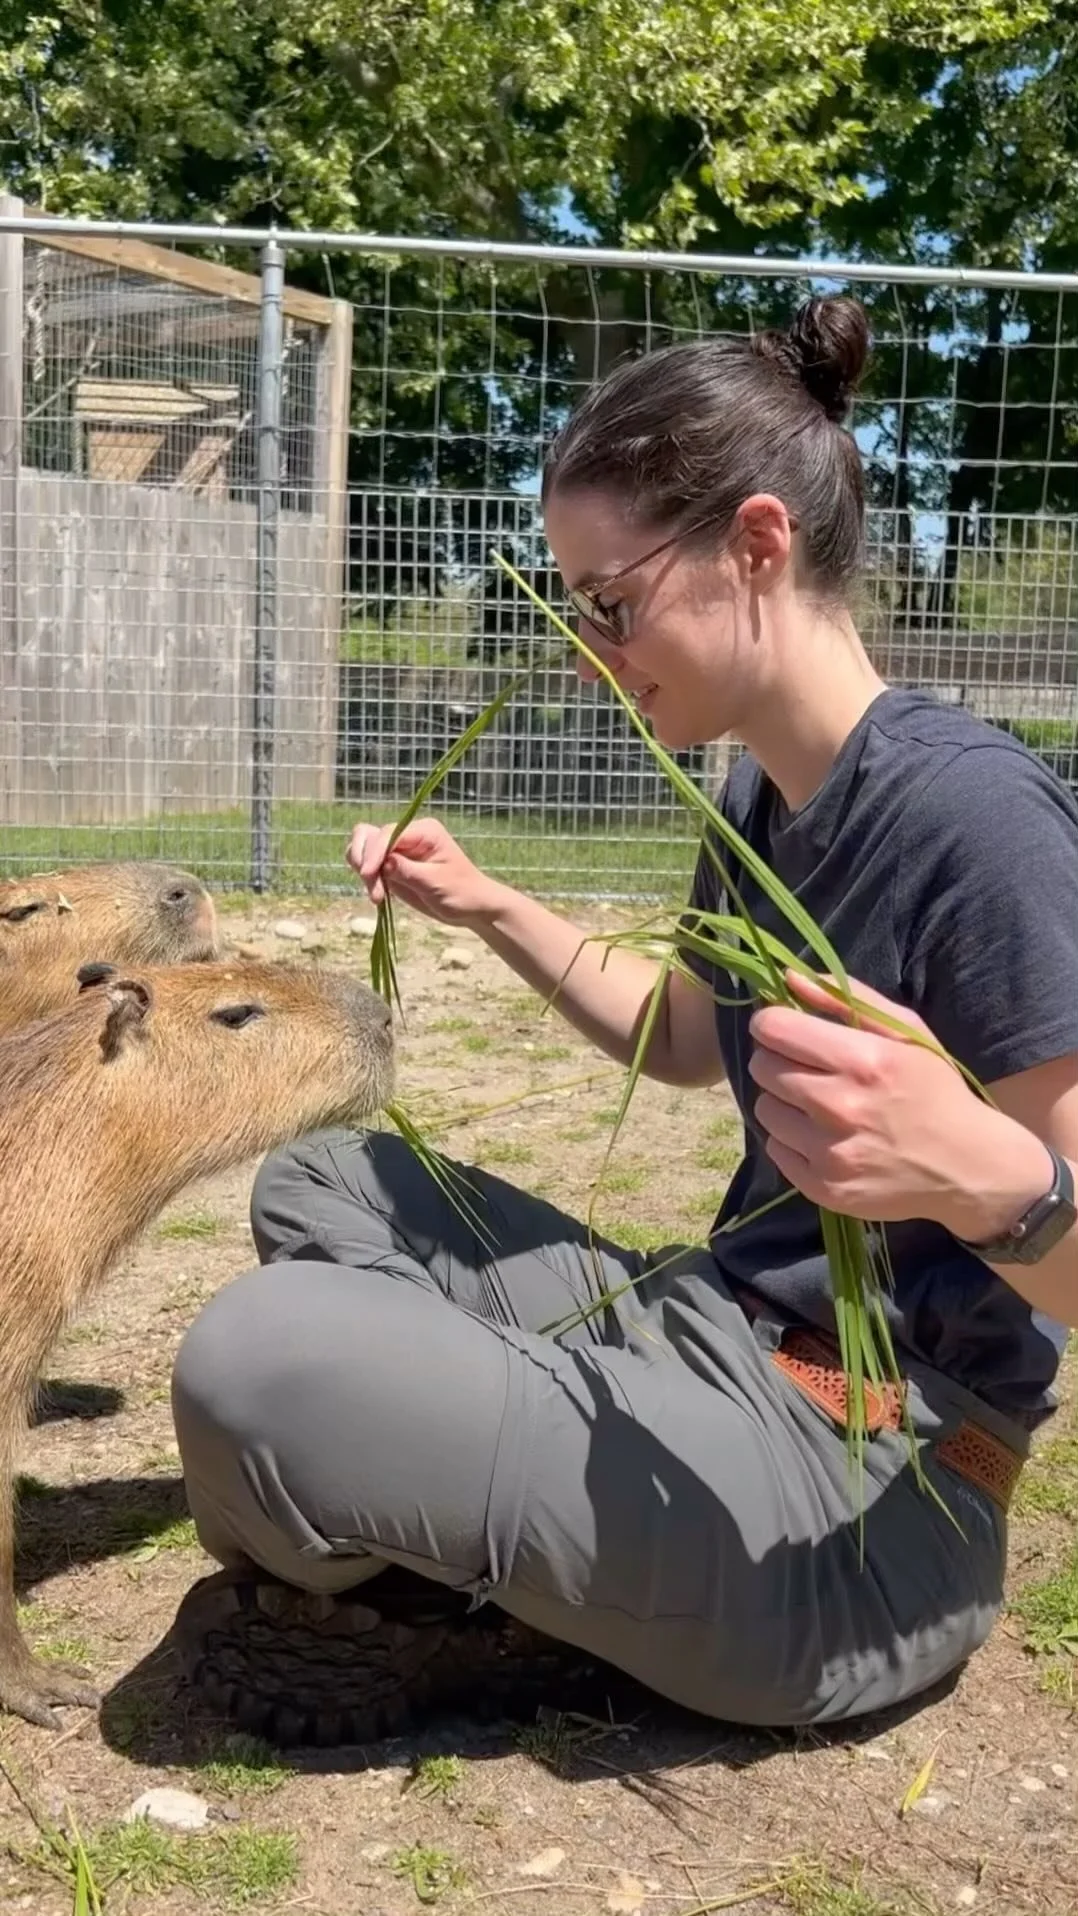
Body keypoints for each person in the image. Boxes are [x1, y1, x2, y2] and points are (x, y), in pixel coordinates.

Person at [170, 295, 1078, 1750]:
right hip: (714, 1327)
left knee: (258, 1361)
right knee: (323, 1181)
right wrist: (492, 906)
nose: (590, 649)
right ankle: (533, 1545)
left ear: (756, 545)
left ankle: (510, 1594)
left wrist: (974, 1174)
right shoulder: (758, 797)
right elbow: (677, 1038)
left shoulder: (976, 821)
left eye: (609, 601)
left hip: (870, 1474)